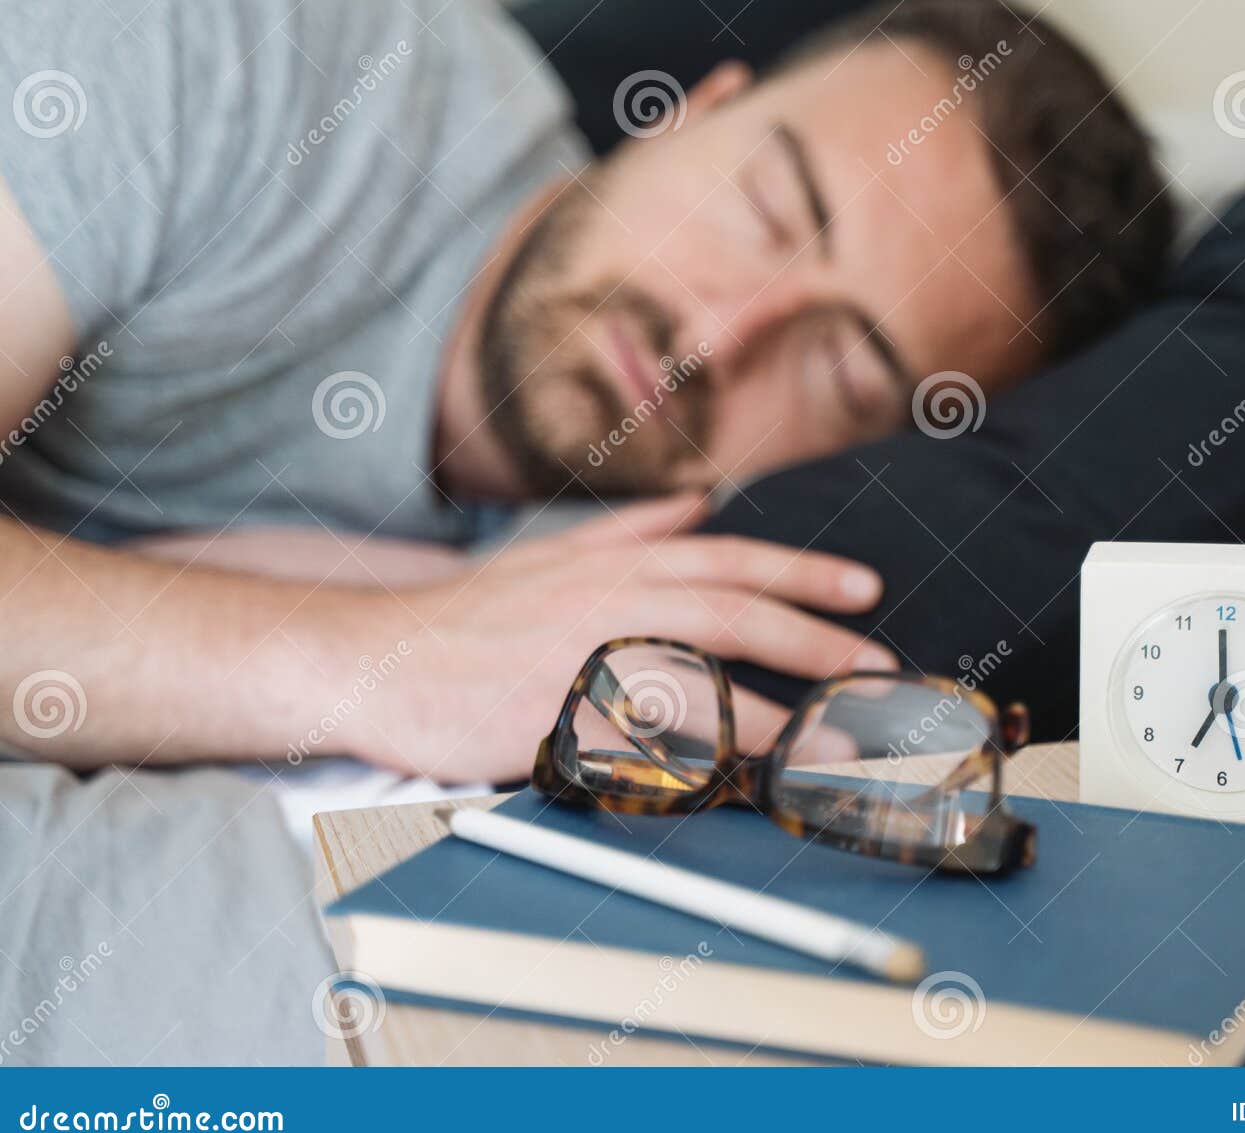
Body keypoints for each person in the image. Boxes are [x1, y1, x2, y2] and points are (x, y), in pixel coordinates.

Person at [0, 0, 1170, 780]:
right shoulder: (254, 54)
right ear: (697, 111)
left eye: (840, 367)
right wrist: (371, 655)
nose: (716, 334)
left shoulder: (594, 588)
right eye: (765, 210)